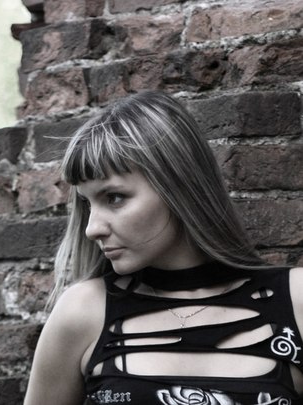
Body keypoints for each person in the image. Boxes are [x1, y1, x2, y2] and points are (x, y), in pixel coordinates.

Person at [23, 90, 303, 405]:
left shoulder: (295, 300)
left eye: (114, 197)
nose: (92, 229)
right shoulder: (83, 312)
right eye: (87, 204)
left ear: (177, 185)